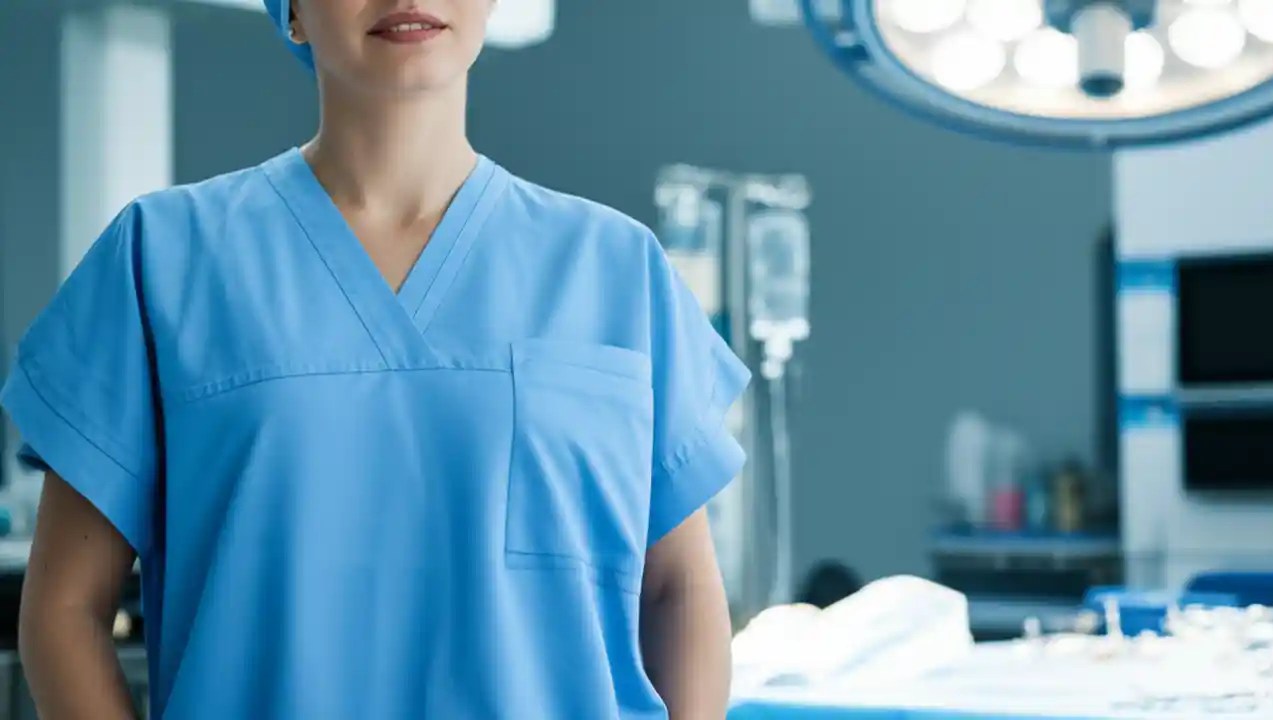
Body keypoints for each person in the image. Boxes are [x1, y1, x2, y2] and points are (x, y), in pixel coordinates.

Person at [1, 2, 751, 718]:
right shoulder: (164, 258)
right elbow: (65, 608)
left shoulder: (615, 269)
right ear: (291, 10)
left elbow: (678, 590)